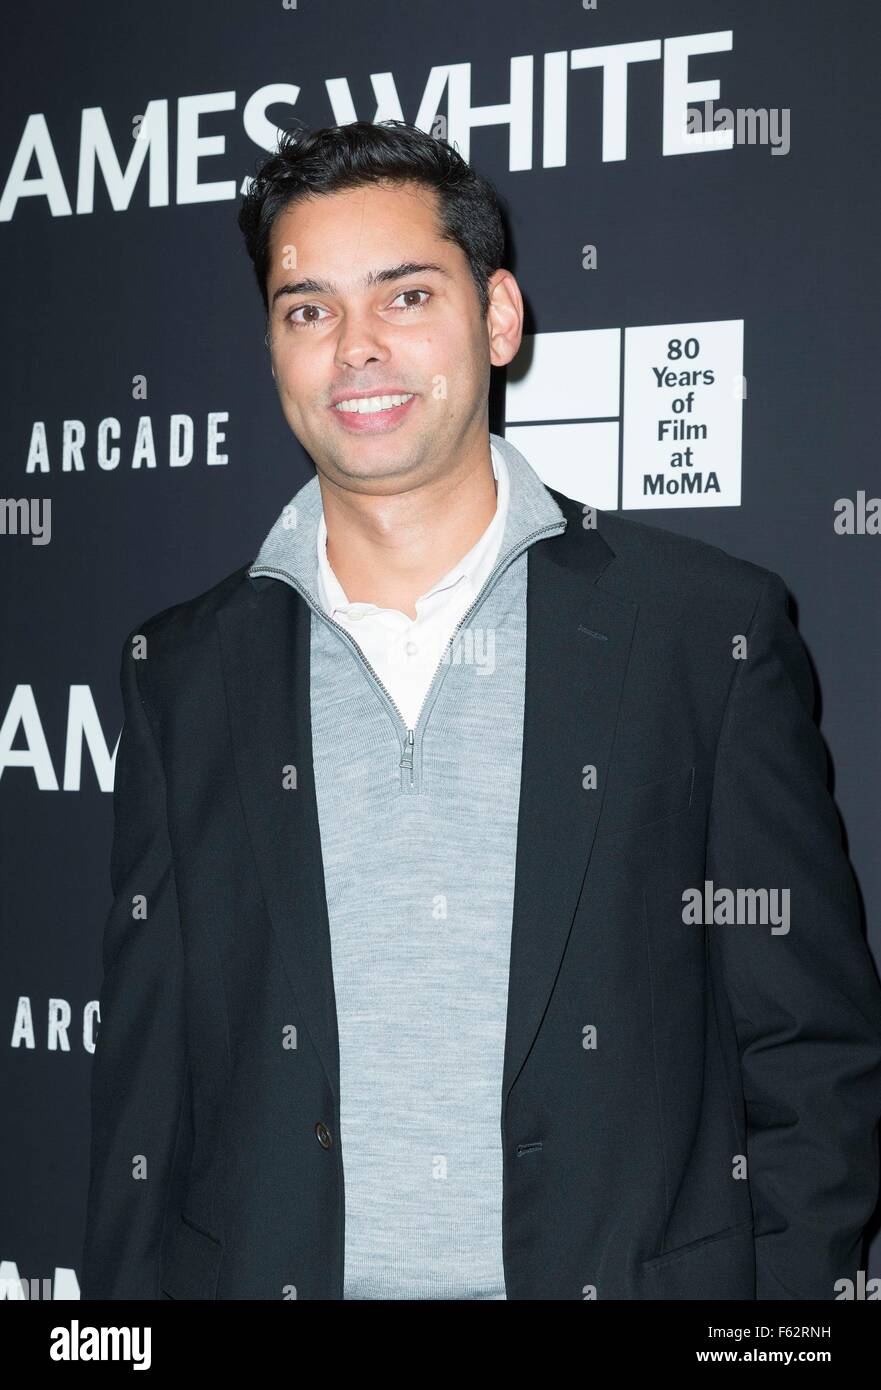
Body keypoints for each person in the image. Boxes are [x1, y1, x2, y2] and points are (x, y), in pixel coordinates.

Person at [81, 120, 881, 1300]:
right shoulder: (182, 671)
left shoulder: (700, 634)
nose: (355, 348)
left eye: (403, 295)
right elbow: (147, 1094)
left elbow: (808, 1055)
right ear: (270, 347)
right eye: (307, 310)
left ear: (497, 318)